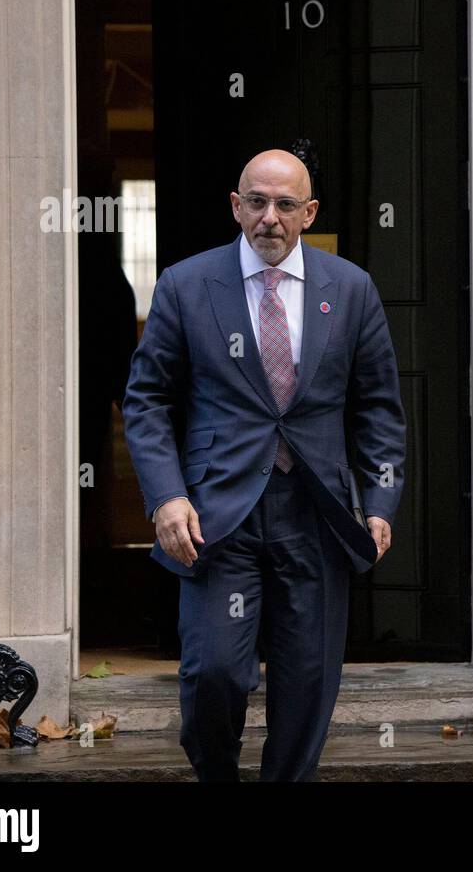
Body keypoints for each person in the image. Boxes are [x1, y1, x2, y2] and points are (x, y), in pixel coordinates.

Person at [123, 149, 406, 781]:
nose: (269, 218)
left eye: (284, 205)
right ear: (235, 206)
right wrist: (166, 496)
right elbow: (147, 401)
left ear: (309, 213)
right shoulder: (186, 284)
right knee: (215, 673)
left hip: (317, 513)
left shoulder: (351, 289)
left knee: (308, 683)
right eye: (256, 202)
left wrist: (381, 502)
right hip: (215, 516)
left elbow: (378, 409)